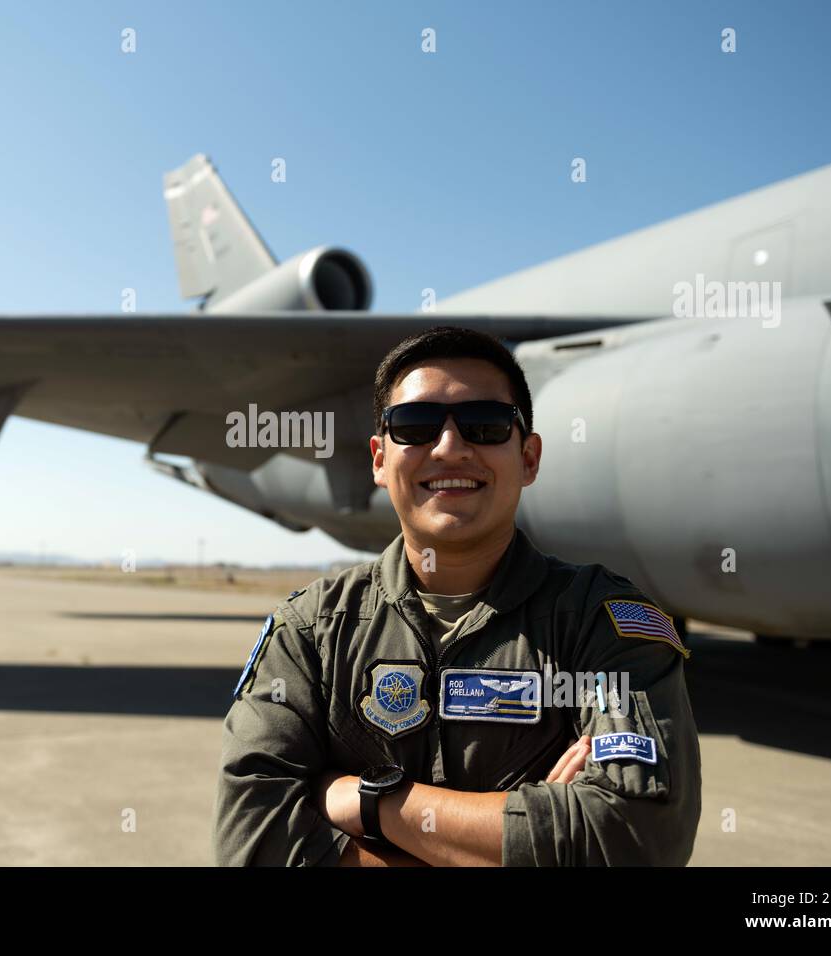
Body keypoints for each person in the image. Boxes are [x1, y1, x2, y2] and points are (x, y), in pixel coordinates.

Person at [212, 325, 701, 866]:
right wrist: (520, 836)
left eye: (485, 424)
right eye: (415, 426)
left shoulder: (600, 622)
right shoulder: (312, 630)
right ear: (378, 458)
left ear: (530, 458)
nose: (449, 447)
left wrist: (373, 801)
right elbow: (251, 846)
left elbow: (635, 842)